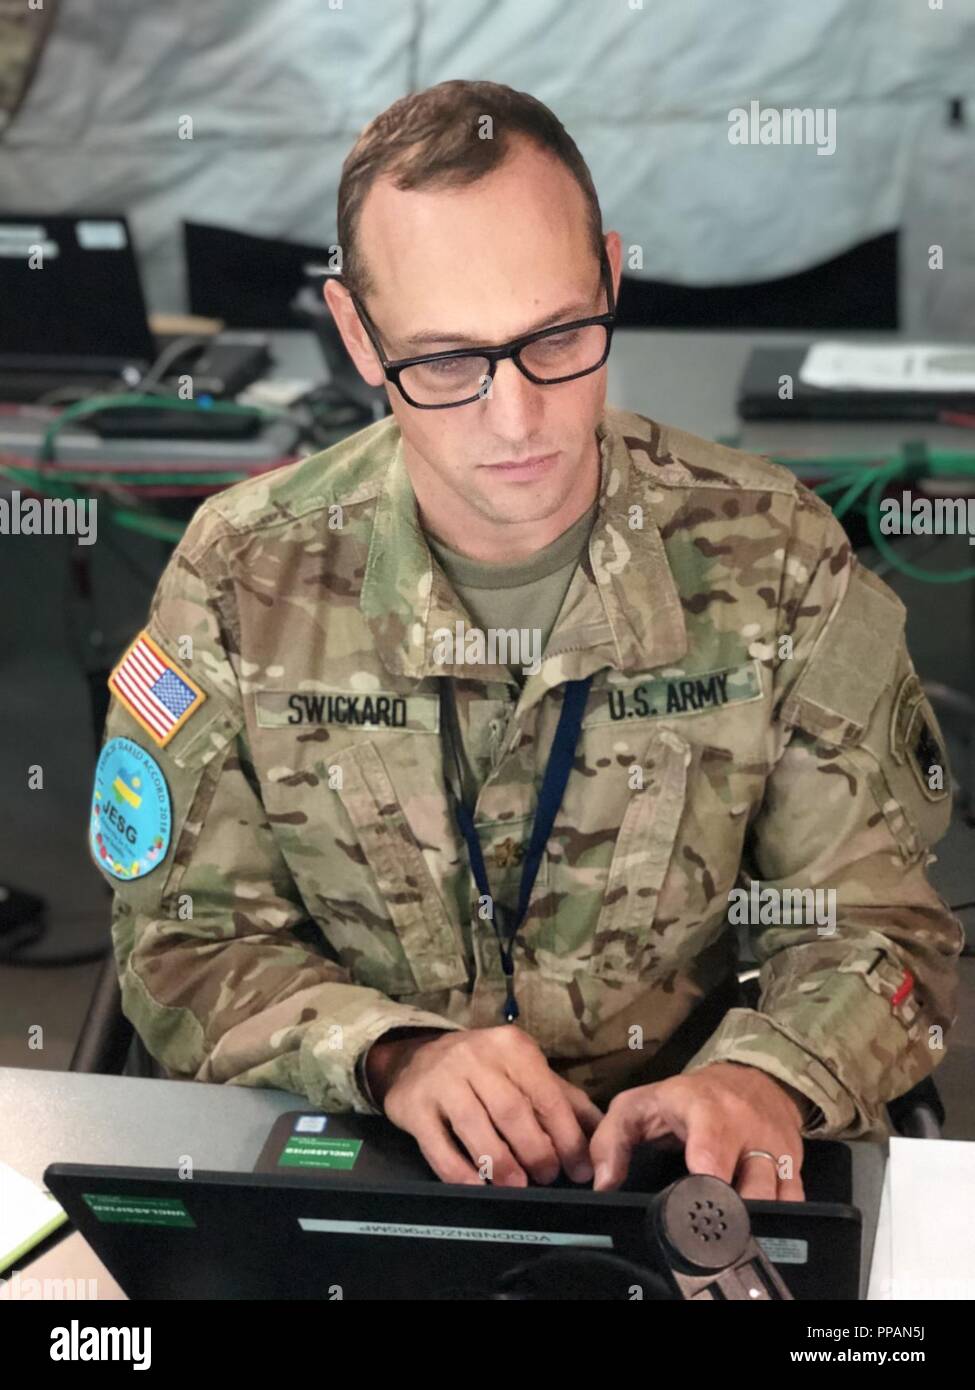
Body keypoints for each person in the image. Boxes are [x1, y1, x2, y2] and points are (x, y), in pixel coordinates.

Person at [88, 80, 962, 1202]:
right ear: (357, 331)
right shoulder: (240, 576)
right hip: (362, 1157)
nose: (516, 421)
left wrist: (767, 1077)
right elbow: (183, 941)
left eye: (558, 335)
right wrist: (392, 1052)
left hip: (676, 1173)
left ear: (607, 273)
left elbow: (883, 930)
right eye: (445, 362)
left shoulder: (773, 556)